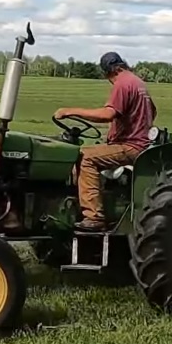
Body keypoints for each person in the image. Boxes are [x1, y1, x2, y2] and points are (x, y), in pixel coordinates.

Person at [54, 51, 156, 231]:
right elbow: (153, 112)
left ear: (109, 72)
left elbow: (108, 114)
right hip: (139, 143)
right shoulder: (138, 82)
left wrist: (71, 111)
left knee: (86, 156)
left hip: (131, 146)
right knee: (95, 151)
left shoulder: (122, 83)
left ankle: (93, 216)